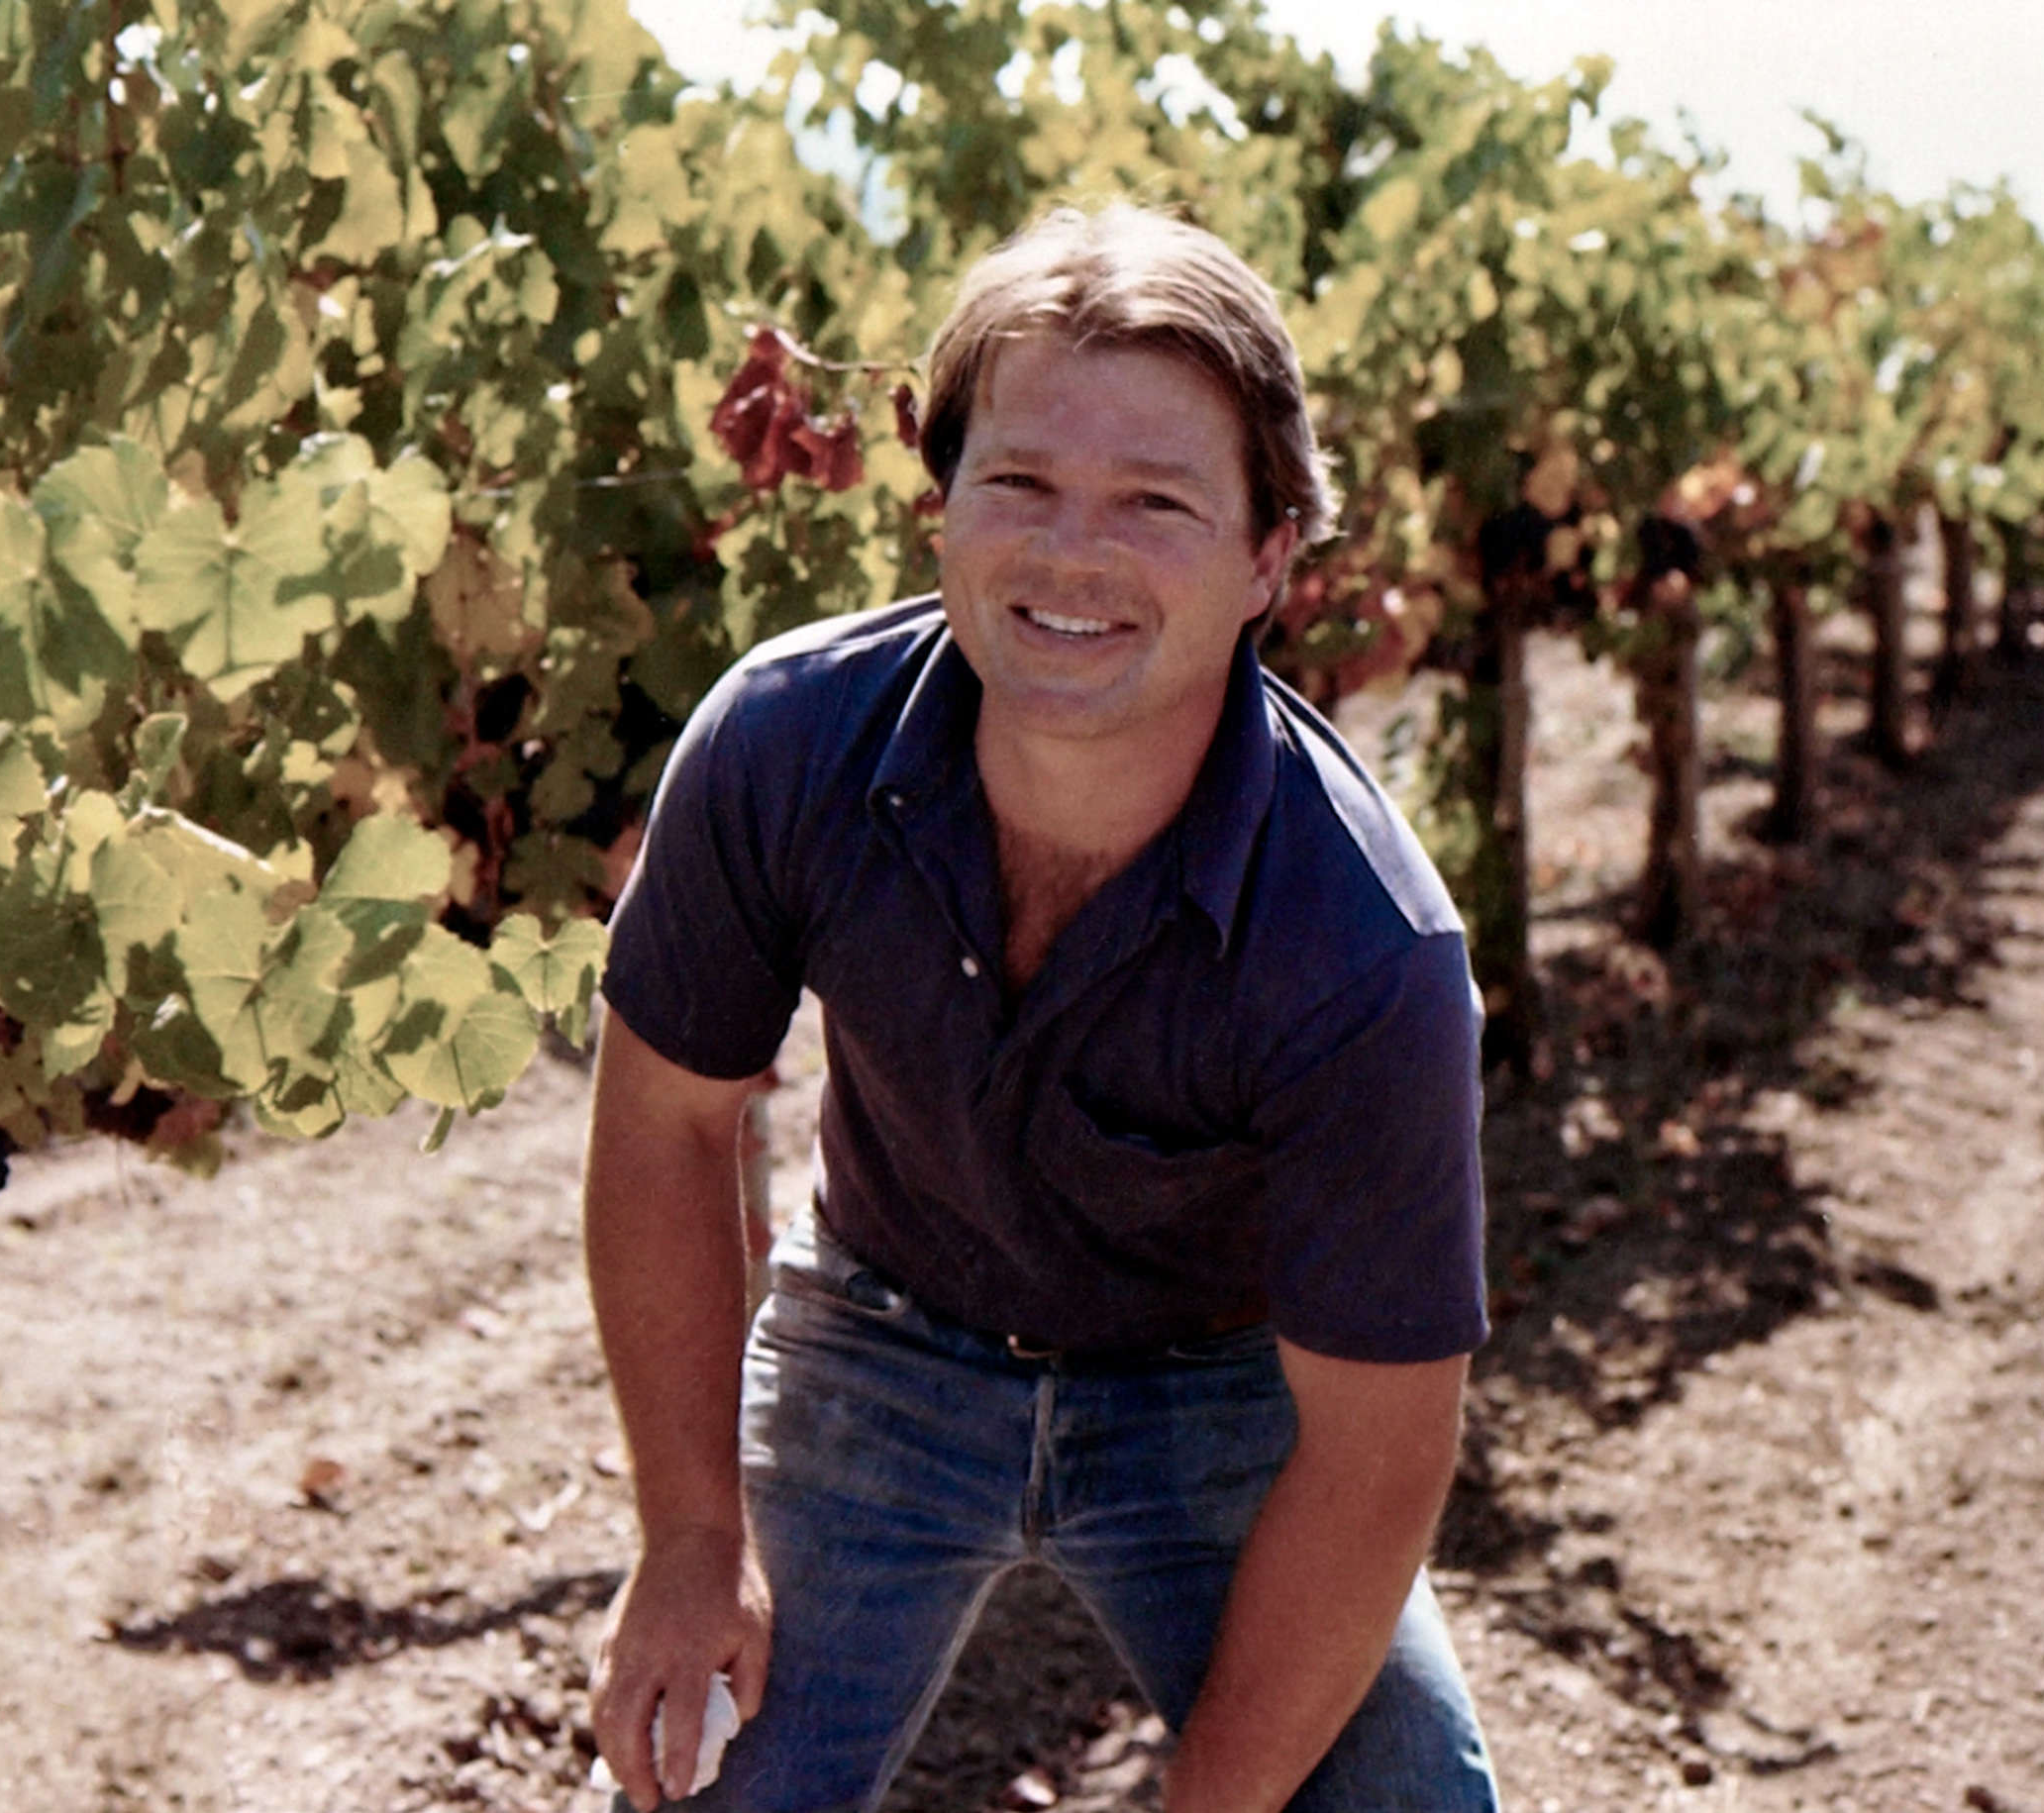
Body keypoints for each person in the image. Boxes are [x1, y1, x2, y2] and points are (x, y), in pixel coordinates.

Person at [580, 202, 1498, 1813]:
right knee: (699, 1782)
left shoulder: (1364, 948)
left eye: (1154, 501)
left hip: (1218, 1394)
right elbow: (666, 1121)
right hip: (881, 1335)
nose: (1071, 552)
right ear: (939, 510)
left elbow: (1375, 1453)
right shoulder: (782, 748)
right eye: (1019, 483)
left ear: (1271, 555)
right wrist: (691, 1538)